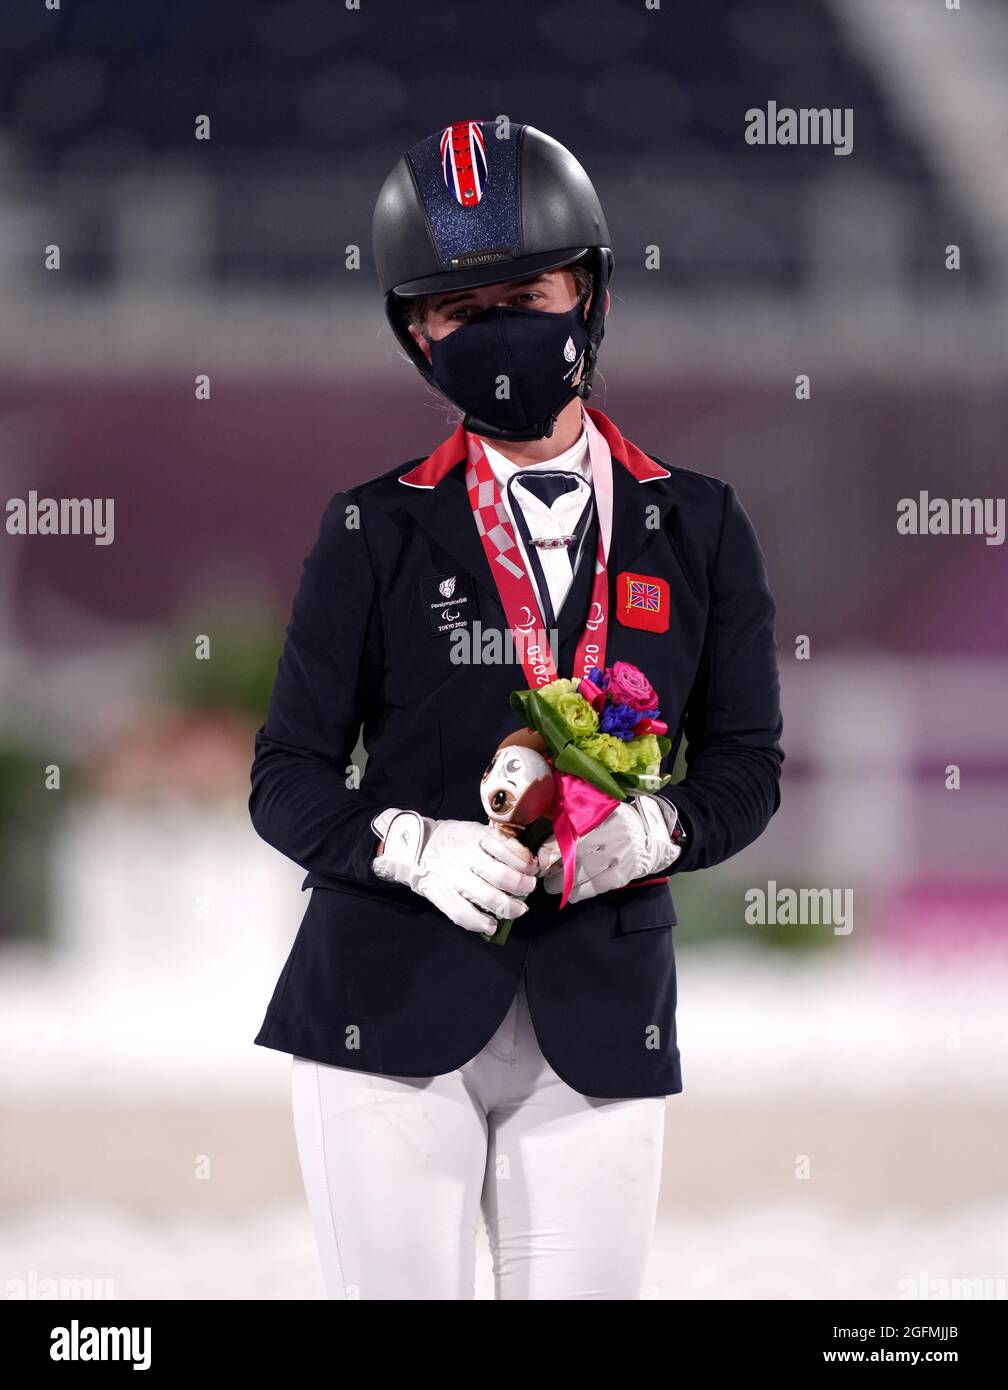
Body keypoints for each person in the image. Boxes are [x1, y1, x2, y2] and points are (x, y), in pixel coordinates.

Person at [250, 119, 783, 1300]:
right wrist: (407, 843)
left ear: (587, 296)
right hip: (381, 1008)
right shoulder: (369, 527)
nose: (496, 333)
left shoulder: (698, 524)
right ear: (415, 335)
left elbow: (748, 763)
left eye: (524, 295)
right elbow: (285, 772)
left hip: (600, 1010)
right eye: (458, 310)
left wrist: (657, 834)